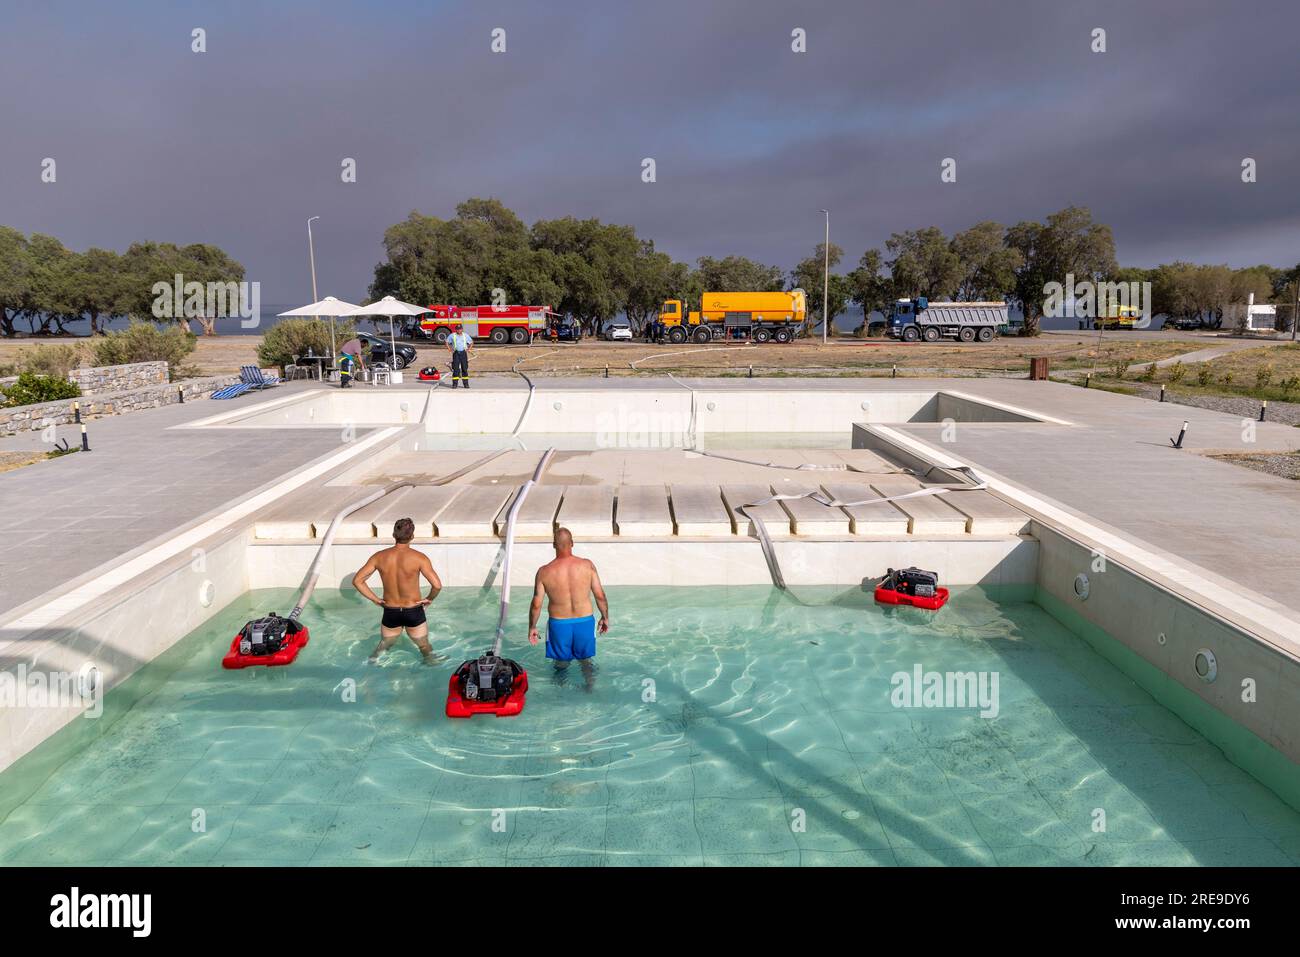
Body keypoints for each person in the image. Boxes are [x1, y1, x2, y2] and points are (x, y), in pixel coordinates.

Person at [352, 517, 443, 663]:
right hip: (414, 611)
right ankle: (431, 662)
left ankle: (371, 665)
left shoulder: (379, 557)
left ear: (394, 535)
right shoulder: (420, 558)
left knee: (382, 647)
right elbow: (437, 585)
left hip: (390, 611)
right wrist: (429, 599)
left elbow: (357, 581)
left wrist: (376, 600)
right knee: (425, 648)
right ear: (412, 536)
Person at [528, 527, 609, 688]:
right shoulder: (587, 565)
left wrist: (532, 627)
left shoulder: (544, 571)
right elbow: (600, 595)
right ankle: (590, 689)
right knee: (586, 661)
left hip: (559, 624)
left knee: (560, 664)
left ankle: (560, 694)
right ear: (572, 543)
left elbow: (537, 603)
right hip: (584, 621)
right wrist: (605, 617)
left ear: (553, 545)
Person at [447, 323, 473, 388]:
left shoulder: (465, 335)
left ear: (462, 329)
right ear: (456, 330)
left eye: (460, 329)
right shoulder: (452, 335)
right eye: (458, 329)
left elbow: (471, 342)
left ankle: (466, 384)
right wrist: (449, 349)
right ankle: (455, 384)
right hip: (456, 353)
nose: (459, 330)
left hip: (463, 353)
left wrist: (469, 349)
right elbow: (447, 342)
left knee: (464, 368)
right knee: (456, 369)